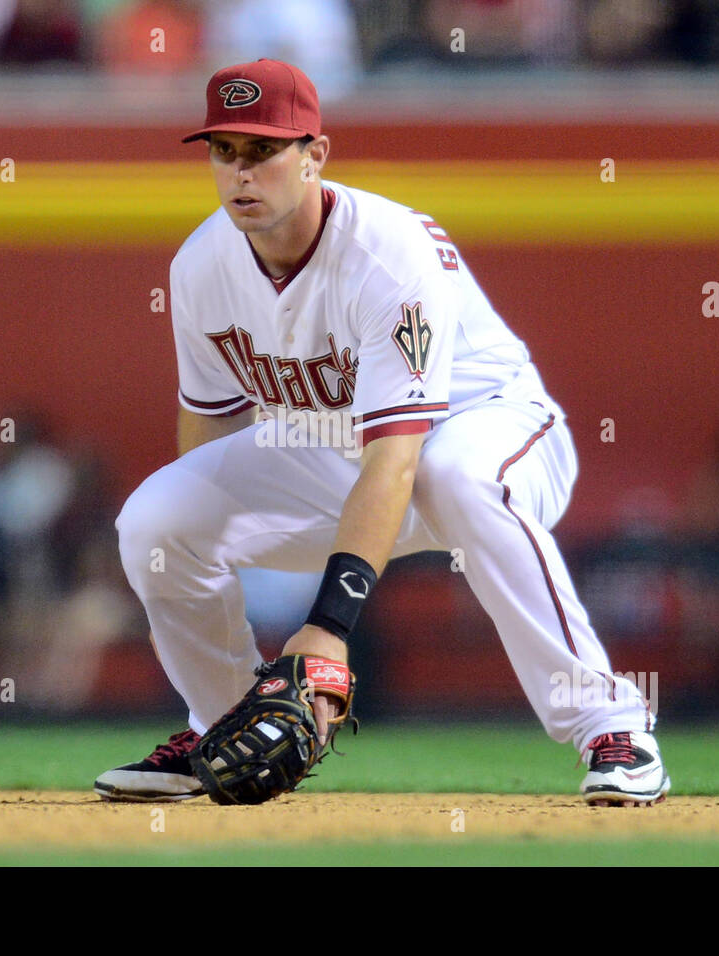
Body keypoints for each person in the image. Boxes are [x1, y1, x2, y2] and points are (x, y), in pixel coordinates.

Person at [94, 58, 669, 806]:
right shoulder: (201, 265)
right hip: (337, 453)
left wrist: (328, 627)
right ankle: (227, 727)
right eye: (224, 151)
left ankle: (613, 729)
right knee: (155, 518)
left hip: (489, 426)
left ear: (314, 156)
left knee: (457, 476)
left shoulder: (385, 252)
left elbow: (397, 462)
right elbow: (208, 430)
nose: (242, 171)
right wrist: (203, 556)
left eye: (264, 150)